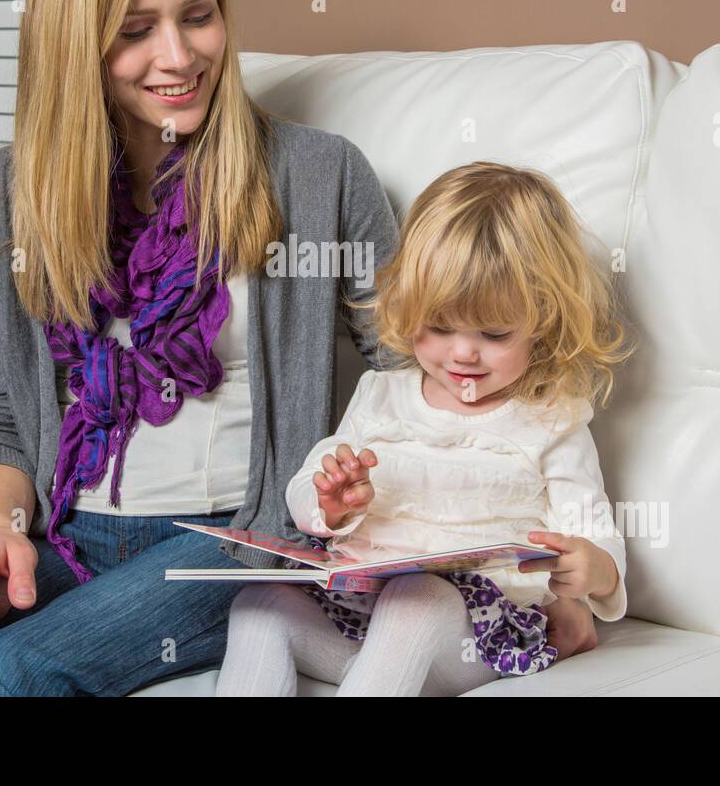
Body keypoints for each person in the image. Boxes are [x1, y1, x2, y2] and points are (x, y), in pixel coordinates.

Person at [0, 0, 595, 697]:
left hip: (231, 542)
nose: (179, 56)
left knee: (5, 676)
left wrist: (530, 555)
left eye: (198, 15)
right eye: (136, 30)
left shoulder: (320, 178)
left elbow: (422, 371)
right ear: (74, 42)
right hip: (60, 527)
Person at [216, 161, 635, 696]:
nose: (462, 353)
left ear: (543, 320)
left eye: (494, 332)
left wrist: (594, 571)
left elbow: (594, 531)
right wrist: (332, 505)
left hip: (475, 633)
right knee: (258, 606)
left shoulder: (551, 420)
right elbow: (307, 487)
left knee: (418, 599)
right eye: (438, 327)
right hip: (358, 618)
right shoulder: (381, 394)